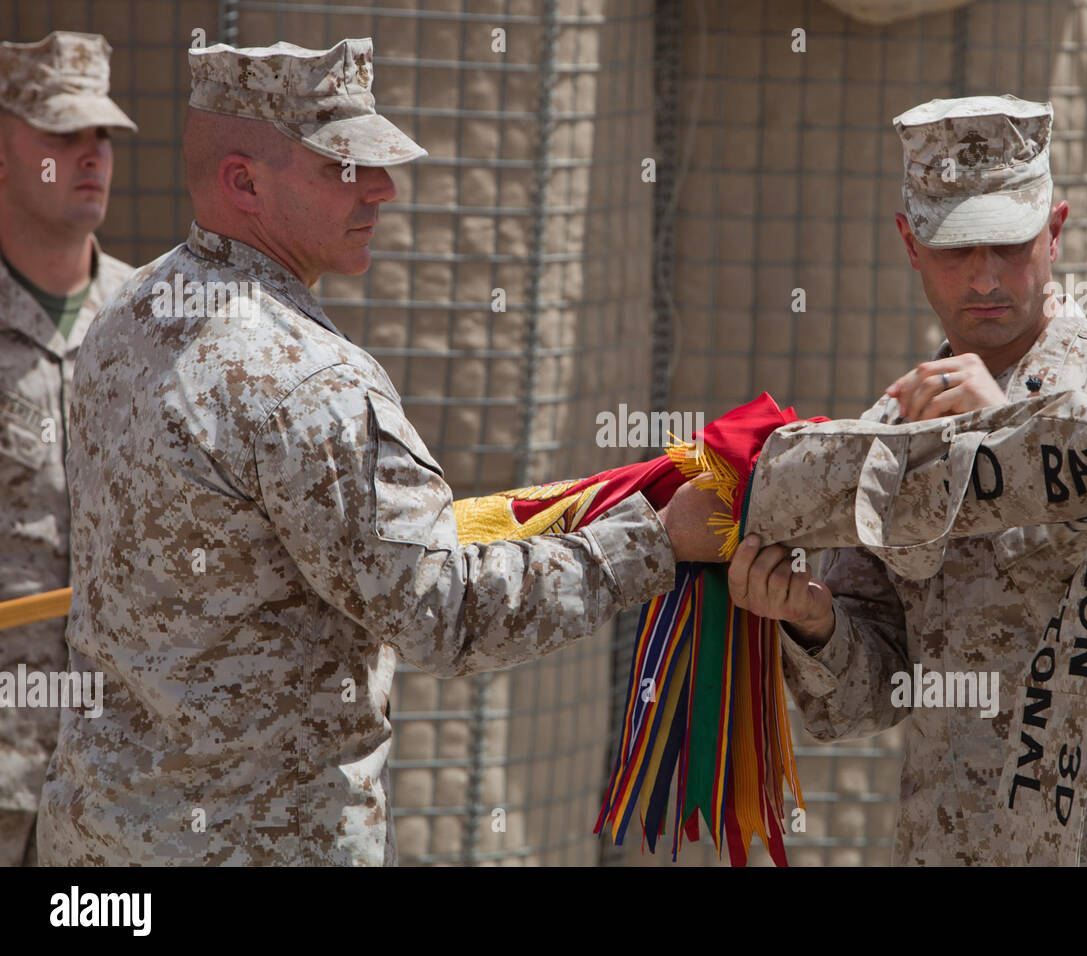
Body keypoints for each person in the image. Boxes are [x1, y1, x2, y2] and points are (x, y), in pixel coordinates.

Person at [37, 38, 718, 866]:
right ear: (244, 184)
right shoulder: (310, 382)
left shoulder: (124, 313)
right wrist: (653, 542)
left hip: (101, 846)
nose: (382, 189)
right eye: (342, 168)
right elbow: (443, 613)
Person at [728, 94, 1087, 865]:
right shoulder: (897, 433)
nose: (985, 277)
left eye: (1010, 245)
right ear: (910, 243)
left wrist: (1032, 442)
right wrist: (811, 622)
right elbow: (862, 699)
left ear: (1054, 231)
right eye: (956, 249)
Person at [0, 31, 137, 867]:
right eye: (62, 133)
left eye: (103, 135)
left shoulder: (154, 322)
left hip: (118, 774)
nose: (90, 155)